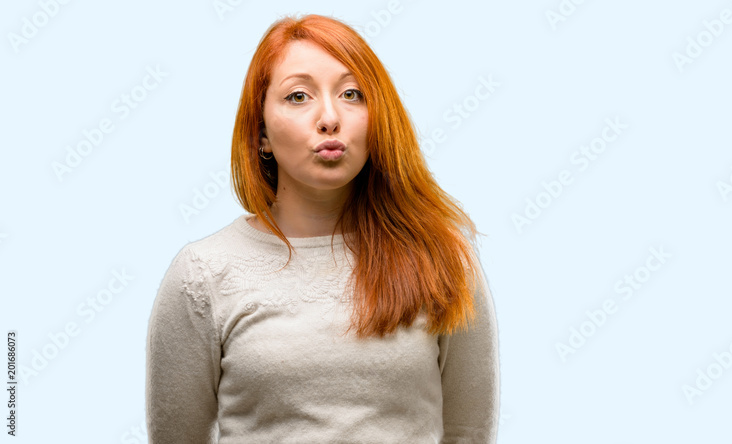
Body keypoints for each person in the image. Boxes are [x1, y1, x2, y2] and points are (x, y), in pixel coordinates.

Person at [145, 13, 500, 443]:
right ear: (261, 134)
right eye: (298, 96)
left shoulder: (442, 258)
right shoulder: (201, 275)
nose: (330, 118)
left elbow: (469, 433)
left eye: (352, 94)